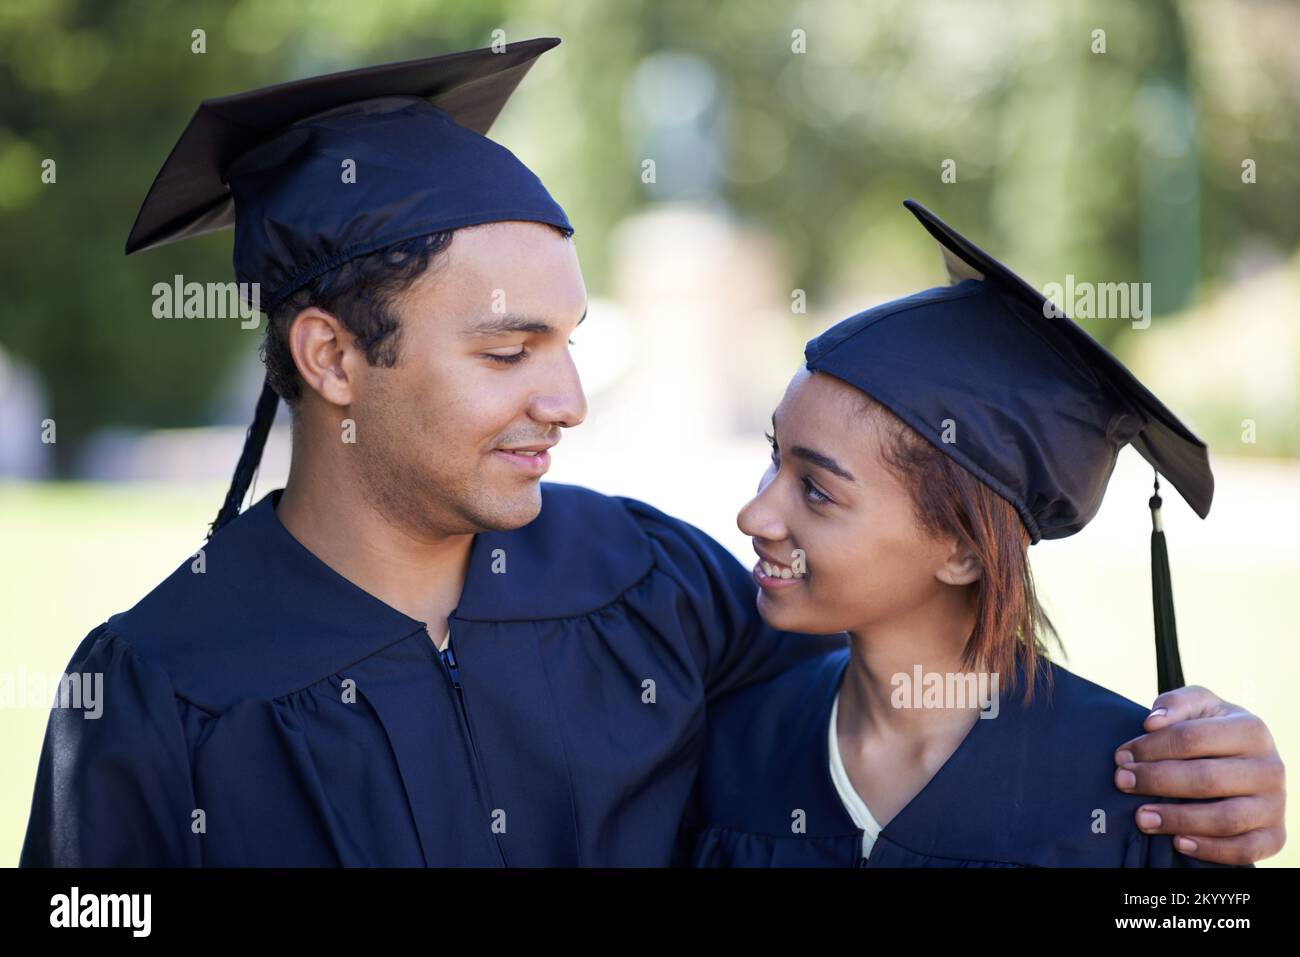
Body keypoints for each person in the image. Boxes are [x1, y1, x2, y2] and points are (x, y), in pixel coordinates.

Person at [20, 41, 1285, 865]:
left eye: (569, 341)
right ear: (334, 358)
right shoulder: (153, 691)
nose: (568, 398)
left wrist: (1201, 768)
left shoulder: (656, 591)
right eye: (509, 352)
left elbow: (911, 657)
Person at [685, 200, 1283, 867]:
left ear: (966, 550)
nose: (755, 515)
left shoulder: (1137, 801)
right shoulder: (735, 746)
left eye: (817, 489)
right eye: (776, 455)